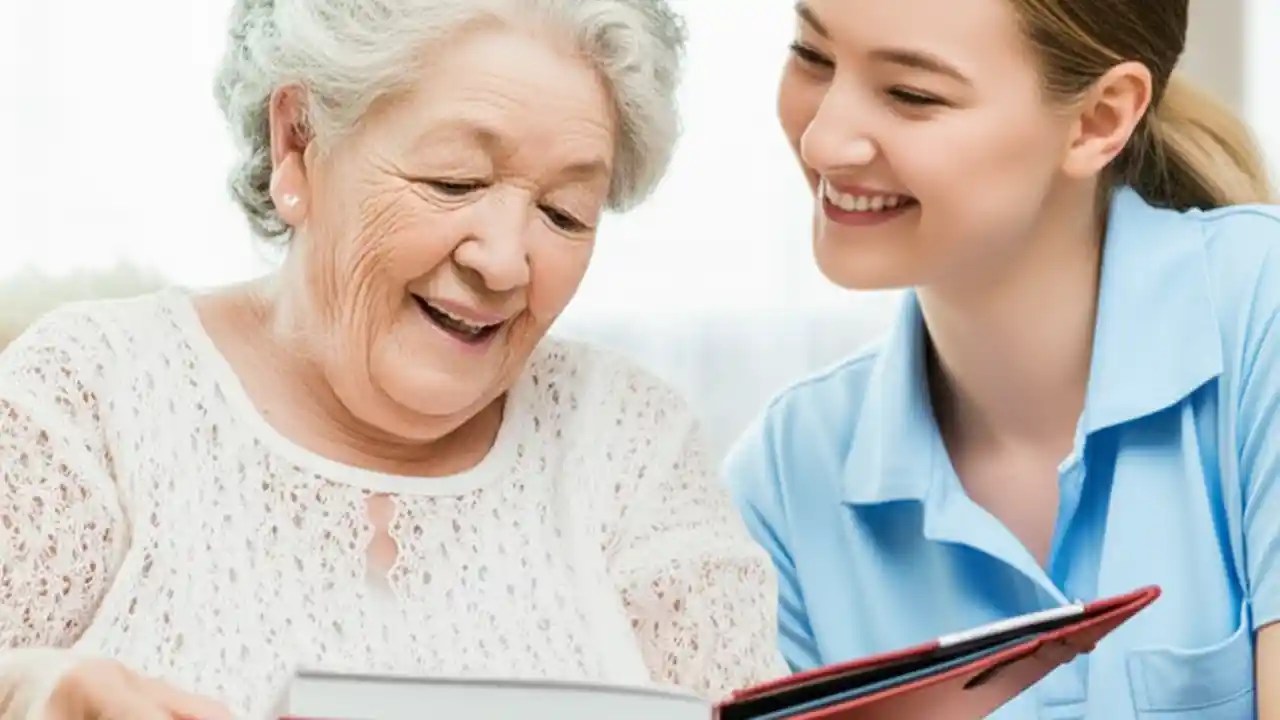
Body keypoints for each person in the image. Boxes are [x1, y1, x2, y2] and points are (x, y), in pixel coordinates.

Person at [0, 1, 784, 718]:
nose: (506, 262)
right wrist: (23, 689)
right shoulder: (90, 396)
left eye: (563, 213)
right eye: (455, 181)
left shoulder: (629, 445)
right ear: (298, 142)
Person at [723, 0, 1279, 717]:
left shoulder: (1259, 311)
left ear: (1100, 120)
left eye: (911, 94)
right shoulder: (785, 480)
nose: (824, 141)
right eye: (813, 55)